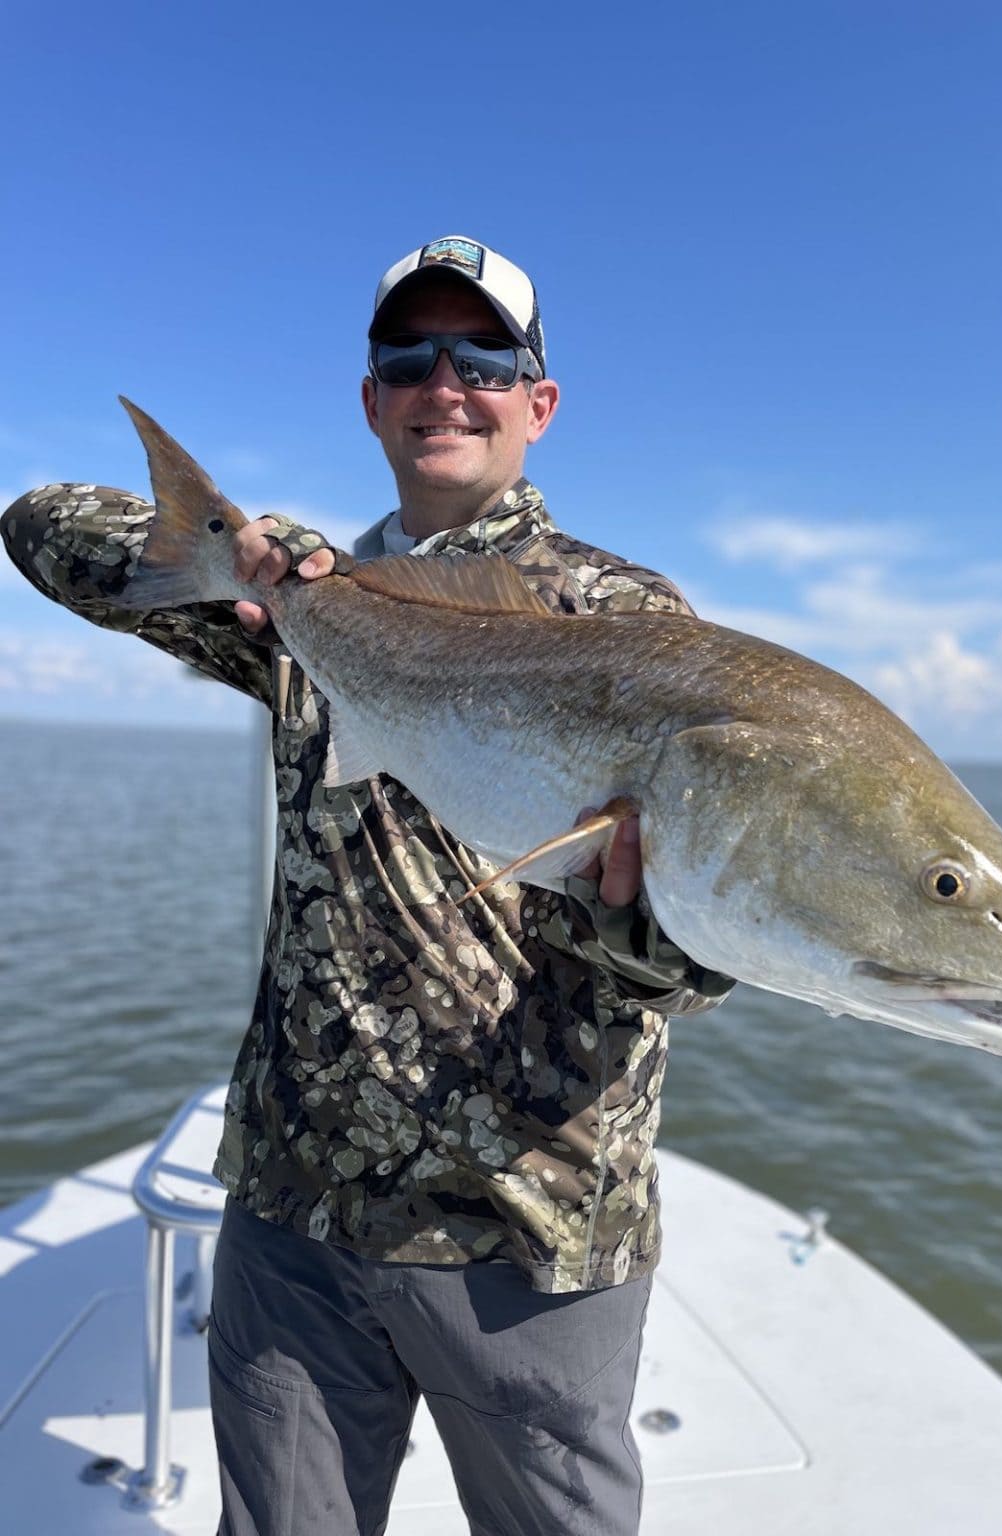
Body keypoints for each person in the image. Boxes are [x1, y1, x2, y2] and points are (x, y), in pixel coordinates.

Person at [1, 234, 734, 1536]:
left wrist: (639, 915)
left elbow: (697, 960)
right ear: (372, 400)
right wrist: (235, 554)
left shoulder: (626, 621)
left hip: (532, 1240)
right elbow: (36, 526)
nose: (445, 382)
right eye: (409, 357)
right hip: (300, 1216)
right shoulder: (296, 602)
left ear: (540, 403)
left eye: (485, 358)